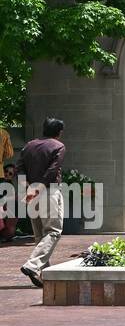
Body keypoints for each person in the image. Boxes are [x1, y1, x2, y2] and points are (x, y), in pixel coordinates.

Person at [16, 117, 67, 288]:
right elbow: (52, 171)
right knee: (53, 231)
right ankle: (32, 265)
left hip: (31, 193)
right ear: (59, 132)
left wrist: (28, 188)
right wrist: (38, 188)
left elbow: (19, 169)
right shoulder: (58, 146)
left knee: (40, 235)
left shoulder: (29, 145)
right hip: (48, 191)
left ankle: (42, 274)